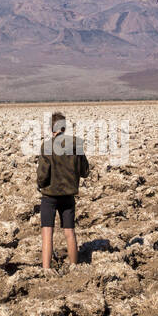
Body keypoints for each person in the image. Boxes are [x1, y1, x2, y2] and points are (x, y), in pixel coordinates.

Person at [36, 111, 89, 270]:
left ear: (51, 128)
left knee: (47, 233)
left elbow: (42, 174)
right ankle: (74, 266)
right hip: (68, 195)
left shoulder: (47, 146)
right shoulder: (76, 144)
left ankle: (46, 269)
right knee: (69, 232)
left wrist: (40, 184)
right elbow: (85, 171)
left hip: (49, 195)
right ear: (64, 127)